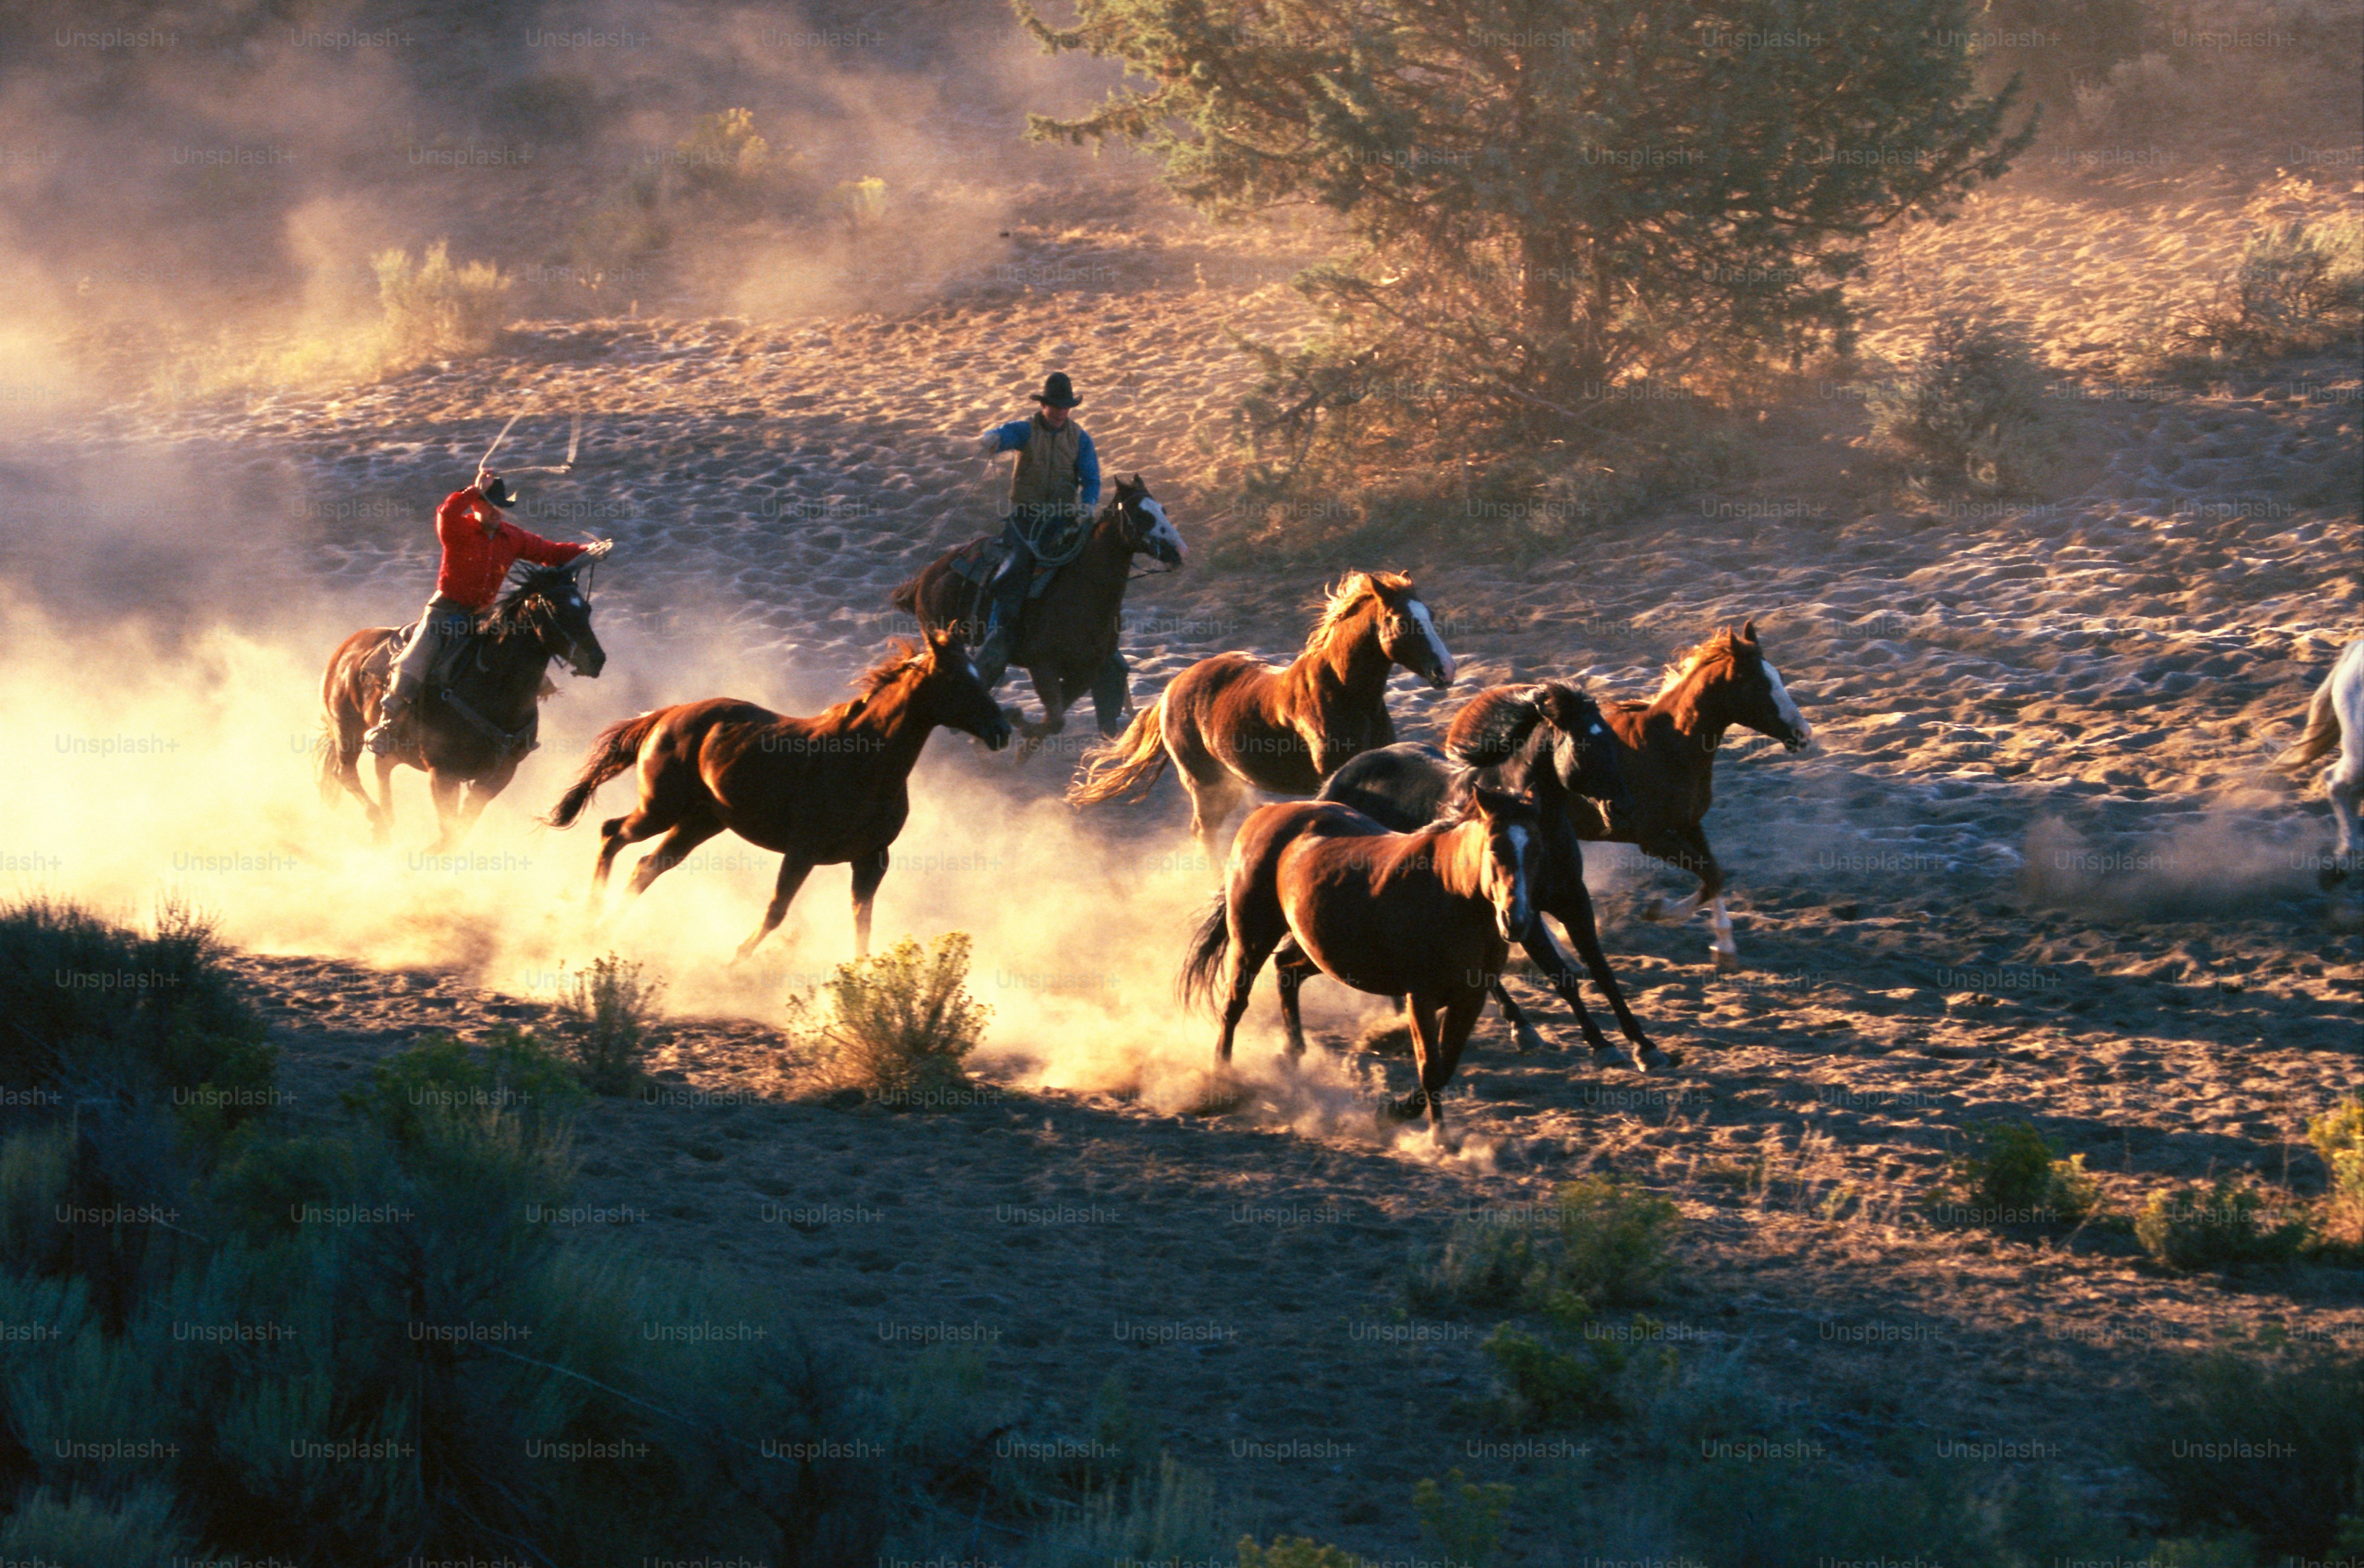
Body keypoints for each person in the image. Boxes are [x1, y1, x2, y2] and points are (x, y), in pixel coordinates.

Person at [363, 472, 599, 756]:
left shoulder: (512, 537)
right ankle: (387, 726)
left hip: (484, 615)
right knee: (415, 659)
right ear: (476, 506)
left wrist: (586, 551)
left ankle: (512, 728)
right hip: (445, 611)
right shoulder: (457, 529)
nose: (496, 512)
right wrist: (473, 491)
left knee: (517, 655)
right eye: (489, 505)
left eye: (500, 507)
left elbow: (549, 551)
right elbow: (446, 512)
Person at [972, 371, 1100, 682]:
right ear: (1044, 405)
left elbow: (1092, 480)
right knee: (1015, 571)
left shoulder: (1080, 438)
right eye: (1055, 405)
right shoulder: (1026, 430)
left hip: (1062, 520)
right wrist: (993, 438)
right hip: (1025, 519)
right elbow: (1004, 434)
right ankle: (994, 642)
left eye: (1065, 406)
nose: (1060, 411)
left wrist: (1087, 506)